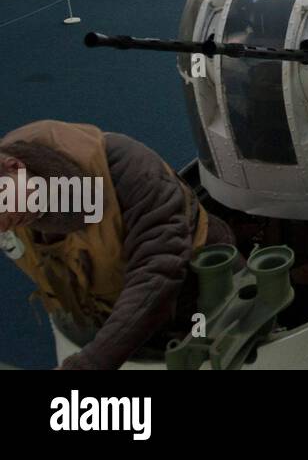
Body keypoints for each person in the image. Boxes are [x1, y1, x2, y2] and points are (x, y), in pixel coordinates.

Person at [0, 119, 235, 369]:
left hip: (198, 315)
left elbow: (158, 271)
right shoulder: (14, 207)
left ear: (16, 166)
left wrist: (91, 363)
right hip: (105, 332)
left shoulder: (129, 169)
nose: (3, 227)